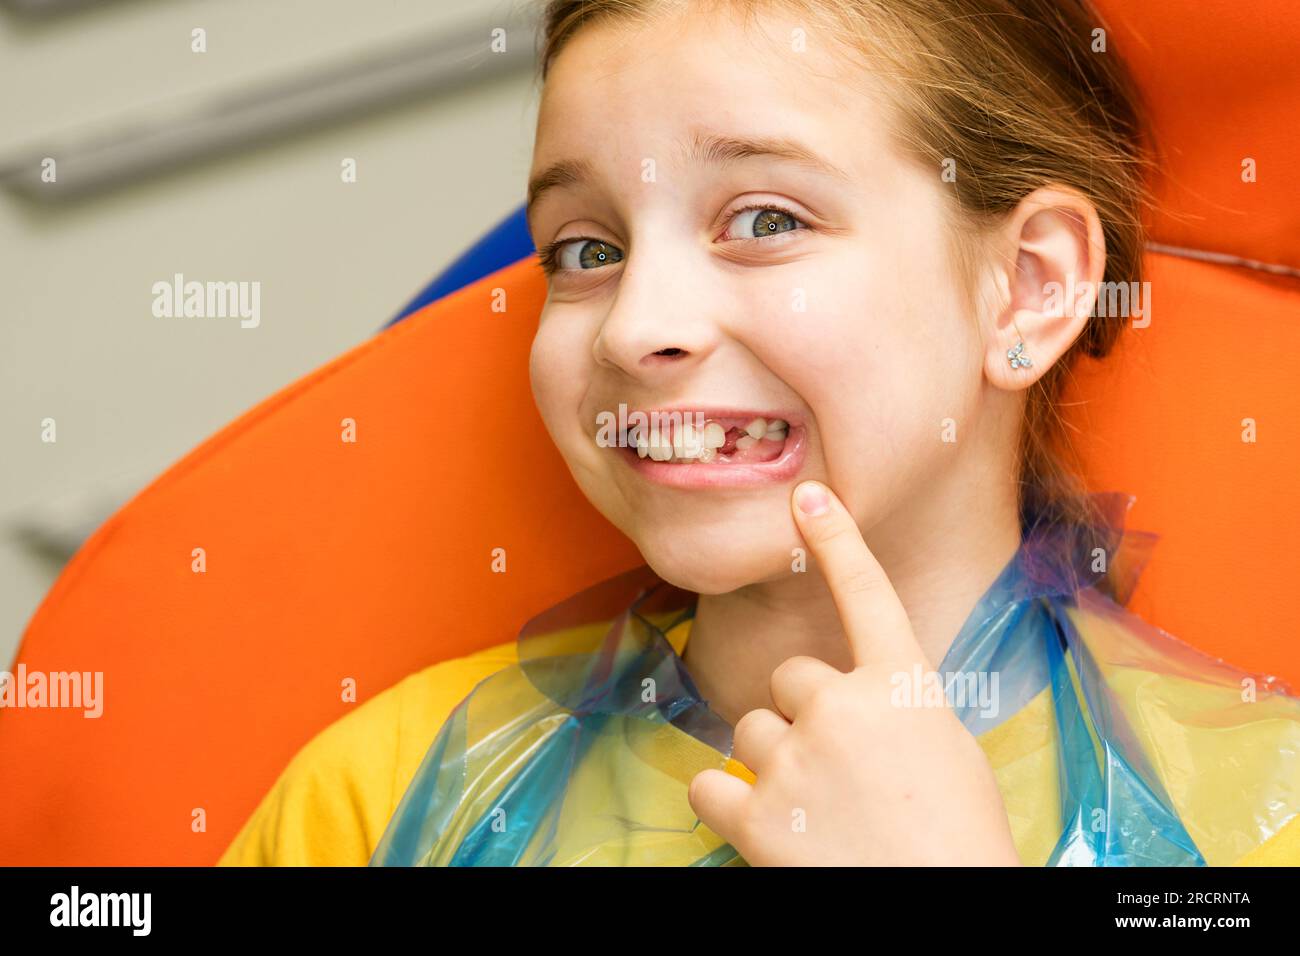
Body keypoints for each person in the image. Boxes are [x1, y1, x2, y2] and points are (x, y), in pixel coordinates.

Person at [218, 0, 1300, 866]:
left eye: (765, 221)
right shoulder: (387, 795)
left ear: (1026, 288)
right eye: (585, 249)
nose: (638, 326)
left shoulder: (1266, 815)